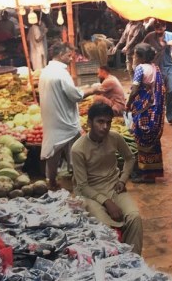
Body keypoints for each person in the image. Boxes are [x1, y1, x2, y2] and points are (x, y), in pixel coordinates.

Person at [71, 103, 143, 254]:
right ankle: (111, 266)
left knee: (134, 217)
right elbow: (83, 186)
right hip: (89, 193)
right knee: (104, 227)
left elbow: (130, 158)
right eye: (100, 121)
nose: (105, 126)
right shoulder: (78, 149)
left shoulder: (115, 138)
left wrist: (122, 179)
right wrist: (107, 202)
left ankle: (133, 261)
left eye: (108, 122)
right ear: (89, 123)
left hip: (113, 187)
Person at [40, 43, 101, 190]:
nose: (71, 58)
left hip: (51, 118)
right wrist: (92, 89)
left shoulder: (46, 71)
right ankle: (81, 183)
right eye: (69, 55)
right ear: (61, 55)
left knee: (53, 151)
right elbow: (75, 95)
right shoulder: (62, 73)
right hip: (65, 120)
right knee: (76, 151)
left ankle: (52, 181)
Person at [125, 43, 165, 183]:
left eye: (135, 54)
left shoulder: (140, 69)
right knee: (153, 141)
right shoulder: (156, 68)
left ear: (140, 56)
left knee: (141, 140)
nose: (134, 57)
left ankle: (144, 174)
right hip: (155, 111)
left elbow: (135, 90)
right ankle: (153, 172)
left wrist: (129, 103)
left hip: (144, 111)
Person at [142, 20, 172, 125]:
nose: (158, 29)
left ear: (165, 27)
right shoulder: (150, 36)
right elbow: (141, 47)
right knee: (156, 93)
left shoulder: (171, 36)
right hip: (155, 67)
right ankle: (156, 116)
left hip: (168, 67)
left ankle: (171, 116)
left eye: (160, 27)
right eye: (156, 27)